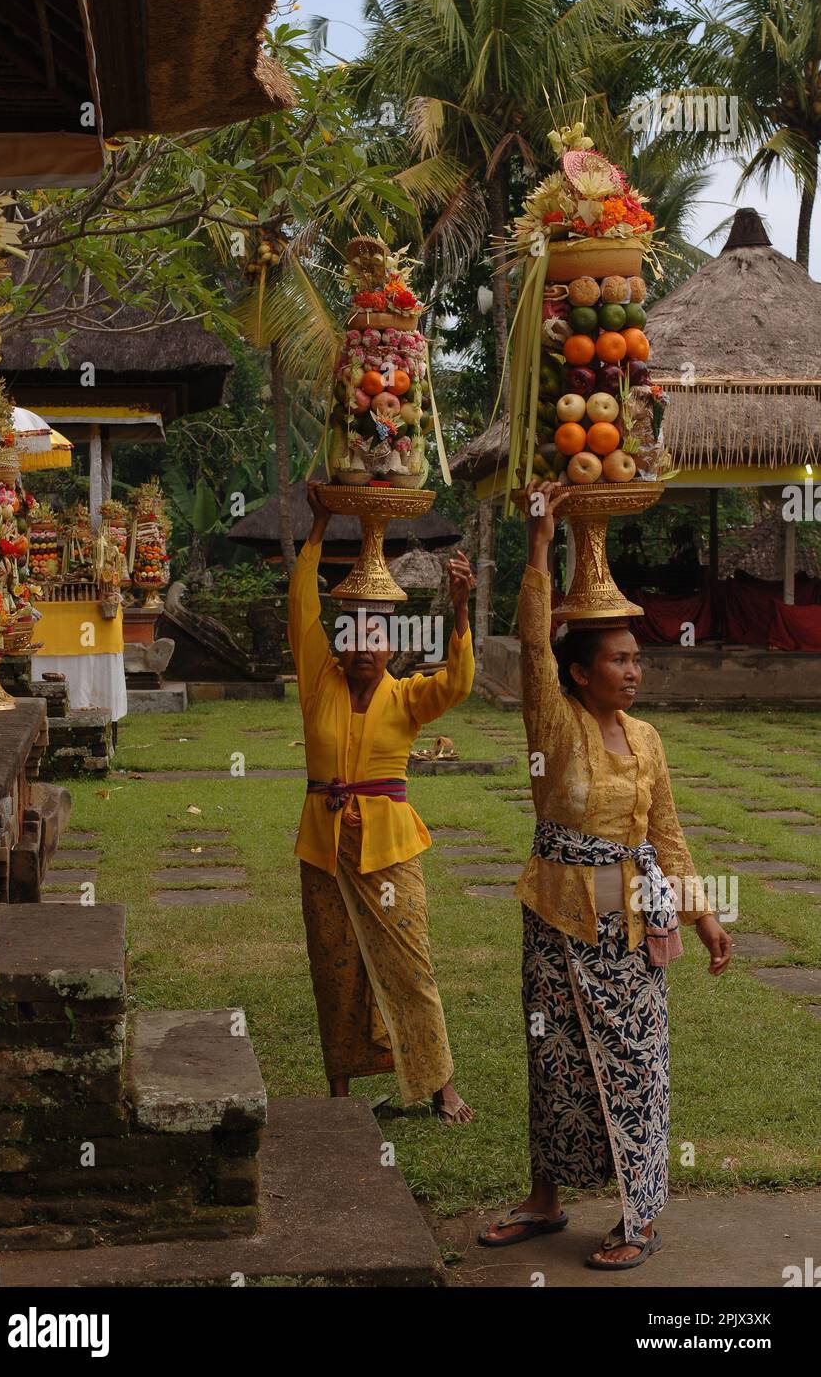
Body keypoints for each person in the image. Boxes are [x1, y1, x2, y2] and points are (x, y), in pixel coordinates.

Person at [480, 480, 732, 1267]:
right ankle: (546, 1199)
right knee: (552, 1058)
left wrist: (702, 915)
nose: (633, 672)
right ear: (580, 673)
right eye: (618, 660)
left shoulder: (647, 739)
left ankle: (639, 1213)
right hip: (558, 913)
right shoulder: (552, 725)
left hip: (631, 923)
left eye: (636, 659)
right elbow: (530, 646)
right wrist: (535, 546)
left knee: (634, 1065)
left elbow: (666, 833)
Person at [288, 481, 476, 1125]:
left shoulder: (409, 696)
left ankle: (439, 1083)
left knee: (410, 961)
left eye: (376, 637)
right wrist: (317, 531)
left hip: (389, 843)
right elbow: (301, 609)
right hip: (322, 842)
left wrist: (461, 612)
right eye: (352, 635)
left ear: (392, 646)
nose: (362, 647)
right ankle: (341, 1090)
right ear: (341, 641)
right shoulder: (319, 681)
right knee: (335, 968)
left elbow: (459, 682)